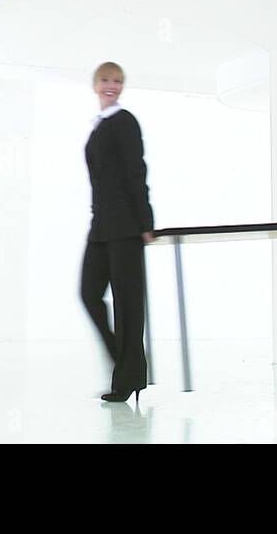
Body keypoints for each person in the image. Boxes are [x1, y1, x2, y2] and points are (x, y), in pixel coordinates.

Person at [80, 61, 154, 403]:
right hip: (100, 227)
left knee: (127, 306)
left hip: (125, 227)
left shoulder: (125, 121)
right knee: (88, 292)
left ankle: (127, 380)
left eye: (118, 81)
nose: (112, 85)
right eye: (106, 80)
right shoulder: (99, 126)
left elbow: (136, 171)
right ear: (96, 85)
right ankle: (125, 362)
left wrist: (145, 222)